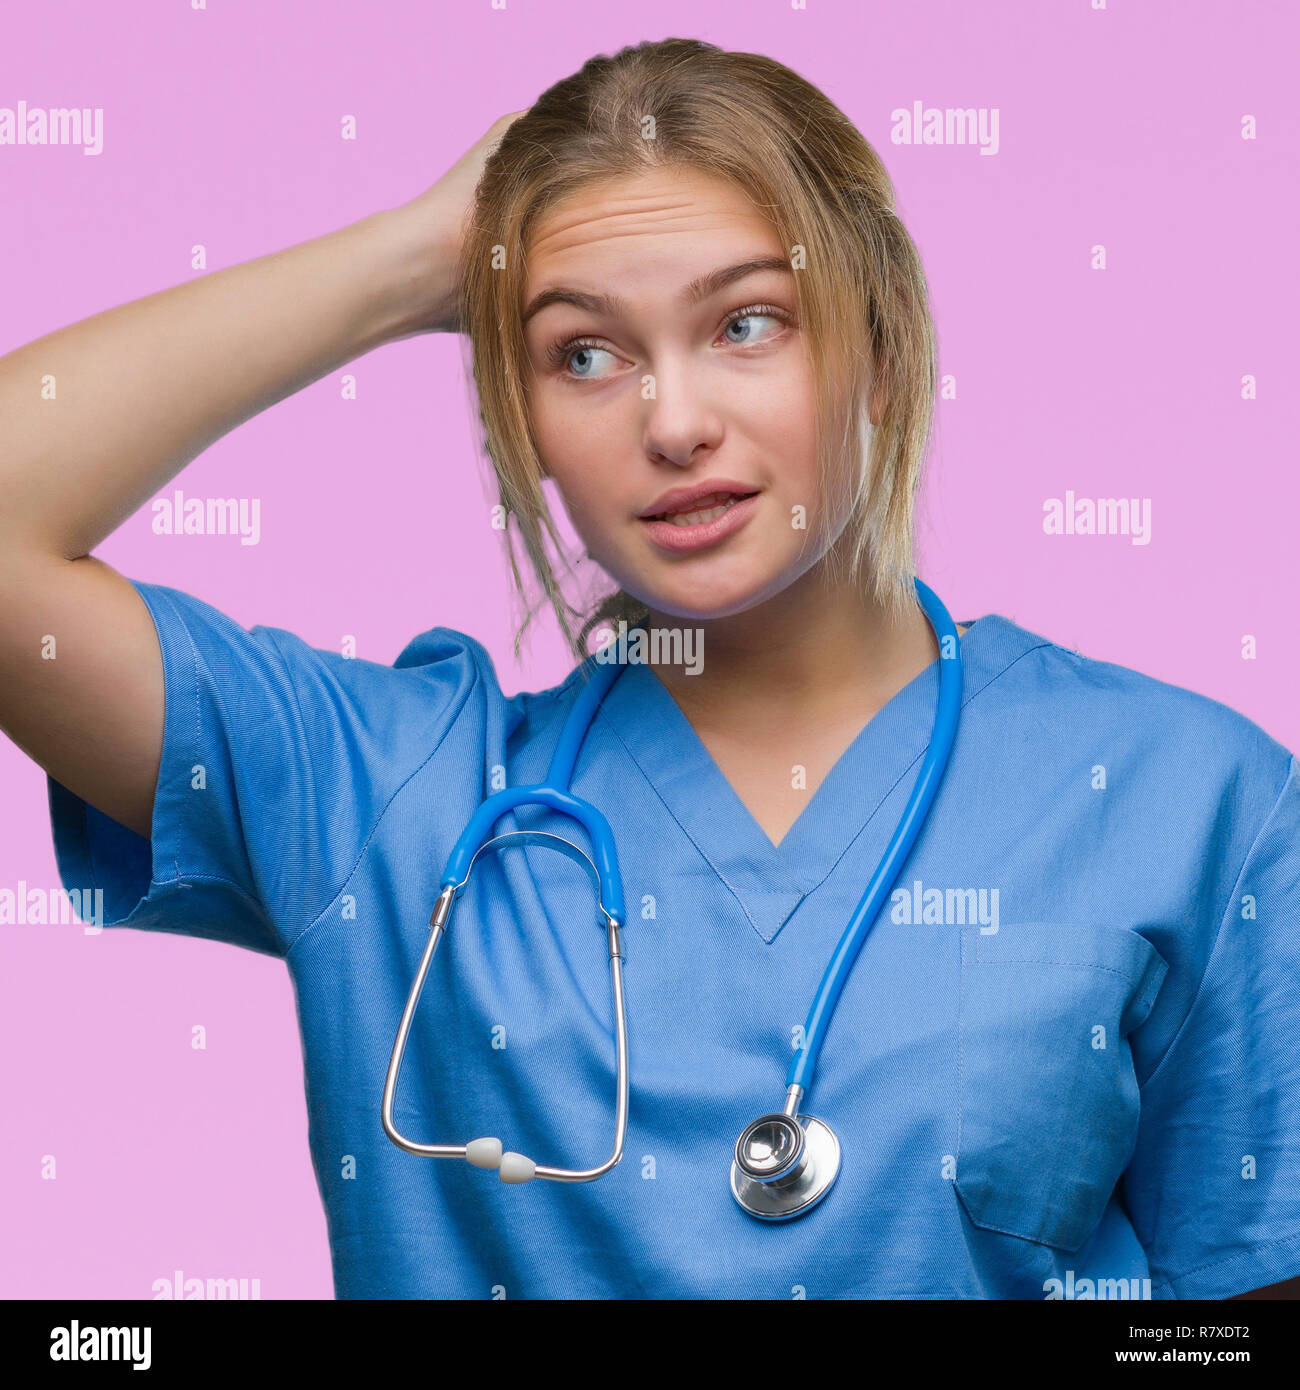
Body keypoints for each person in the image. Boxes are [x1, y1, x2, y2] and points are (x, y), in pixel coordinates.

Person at [2, 37, 1298, 1301]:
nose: (672, 423)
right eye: (583, 352)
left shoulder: (1191, 794)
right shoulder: (383, 794)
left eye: (747, 323)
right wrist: (417, 257)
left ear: (884, 355)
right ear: (523, 419)